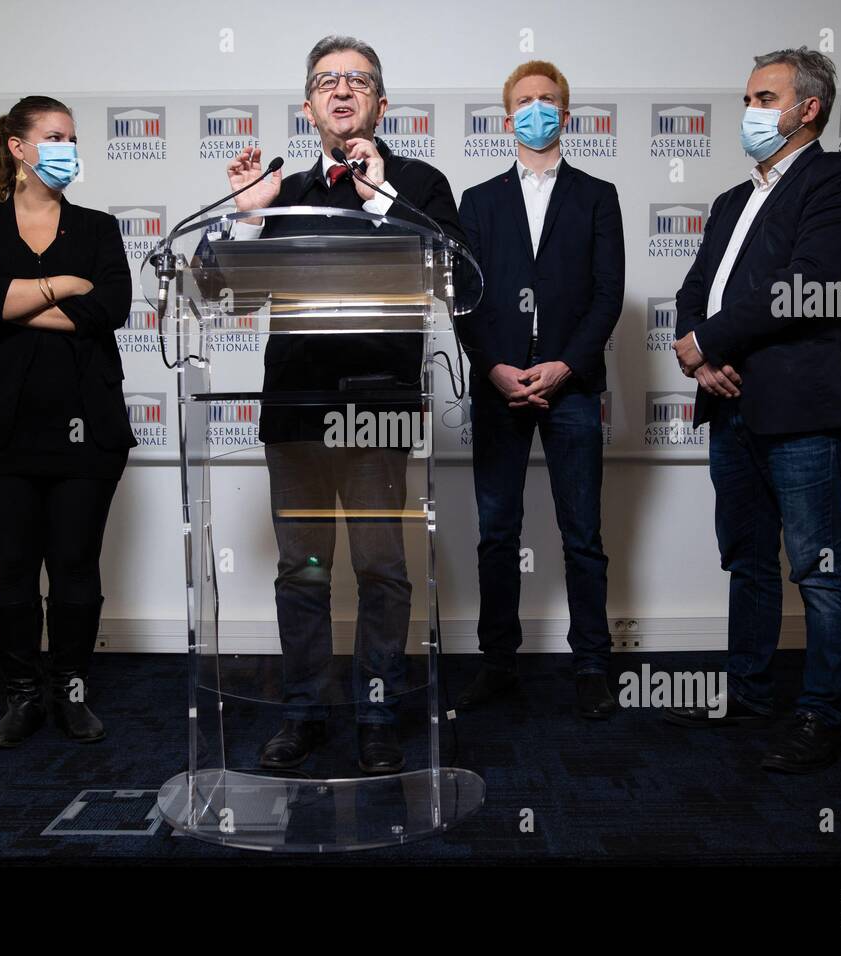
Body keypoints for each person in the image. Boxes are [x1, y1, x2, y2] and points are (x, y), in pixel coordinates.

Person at [223, 35, 466, 775]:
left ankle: (377, 712)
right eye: (326, 81)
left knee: (382, 569)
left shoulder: (420, 182)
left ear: (381, 103)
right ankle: (302, 713)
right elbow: (235, 300)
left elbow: (452, 274)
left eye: (358, 80)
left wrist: (381, 197)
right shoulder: (283, 191)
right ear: (307, 107)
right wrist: (245, 218)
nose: (342, 90)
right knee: (302, 572)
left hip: (378, 406)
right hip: (295, 409)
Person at [666, 48, 841, 773]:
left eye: (763, 97)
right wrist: (697, 349)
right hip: (728, 407)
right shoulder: (732, 200)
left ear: (807, 108)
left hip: (800, 410)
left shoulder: (840, 178)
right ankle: (751, 692)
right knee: (748, 561)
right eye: (749, 98)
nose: (750, 111)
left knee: (819, 568)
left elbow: (806, 284)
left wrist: (707, 342)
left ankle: (822, 715)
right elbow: (697, 291)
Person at [0, 95, 137, 748]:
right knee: (10, 567)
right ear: (19, 148)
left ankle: (71, 695)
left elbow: (110, 307)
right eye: (55, 136)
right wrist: (65, 284)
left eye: (73, 138)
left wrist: (16, 296)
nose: (67, 148)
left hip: (87, 427)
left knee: (76, 565)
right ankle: (22, 697)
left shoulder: (98, 229)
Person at [453, 60, 625, 719]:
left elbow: (607, 296)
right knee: (498, 532)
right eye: (524, 102)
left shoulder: (596, 196)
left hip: (572, 389)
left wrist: (565, 366)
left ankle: (591, 665)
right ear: (506, 120)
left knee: (582, 532)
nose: (536, 110)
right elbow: (464, 298)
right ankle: (498, 664)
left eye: (547, 101)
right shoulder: (478, 201)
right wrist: (497, 368)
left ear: (566, 115)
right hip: (498, 386)